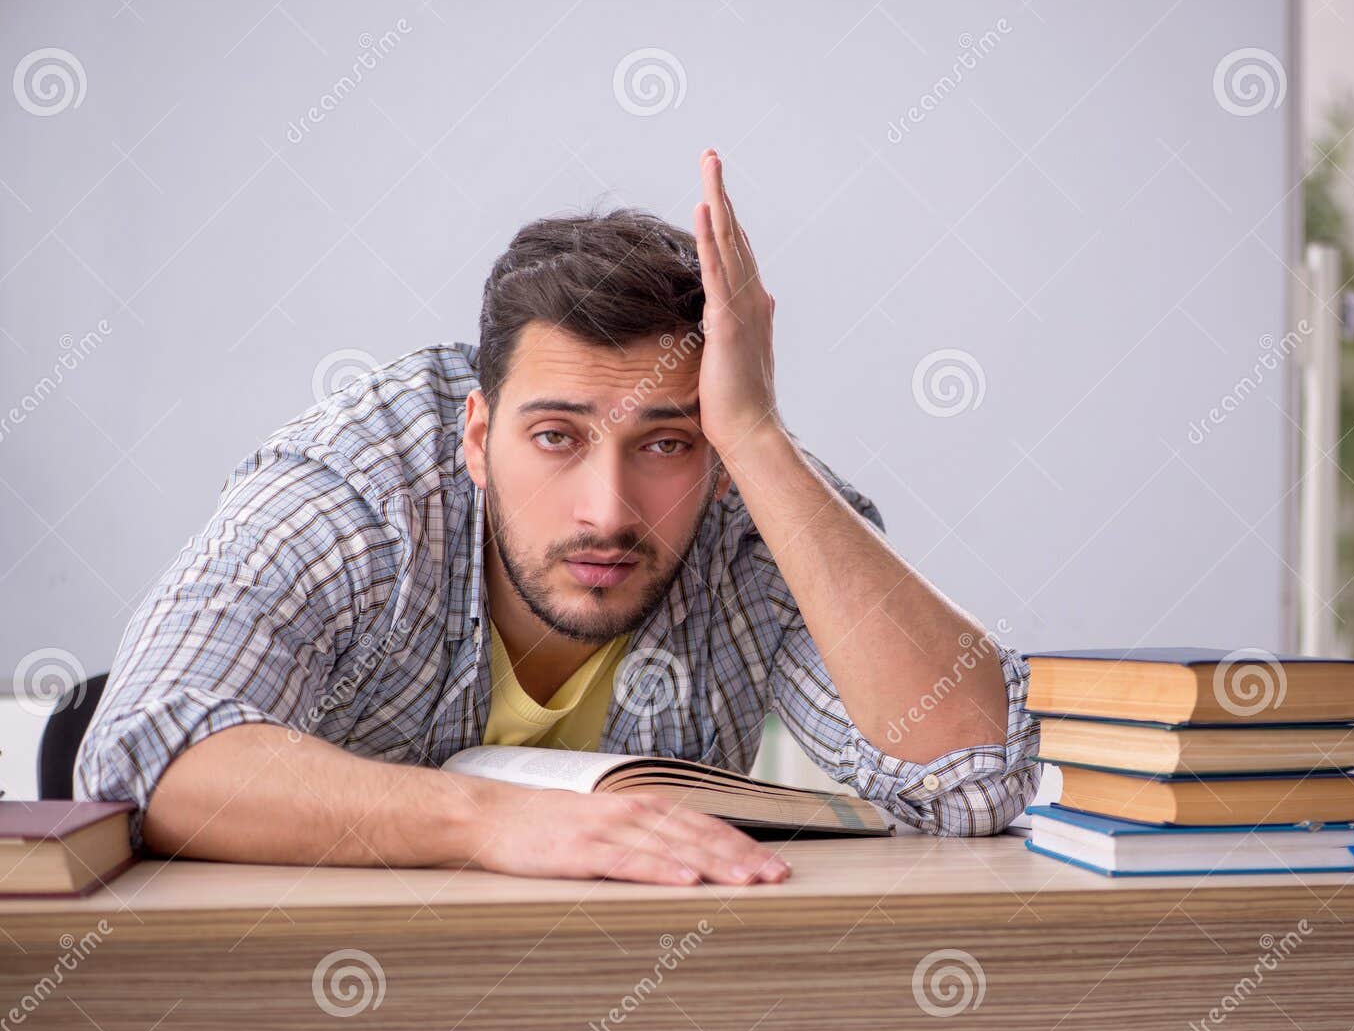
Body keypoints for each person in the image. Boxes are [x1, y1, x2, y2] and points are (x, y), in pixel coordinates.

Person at [77, 149, 1040, 885]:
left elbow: (970, 781)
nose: (606, 511)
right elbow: (143, 758)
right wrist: (492, 821)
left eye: (667, 443)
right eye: (555, 438)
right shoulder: (361, 488)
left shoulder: (752, 497)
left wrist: (755, 437)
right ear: (476, 434)